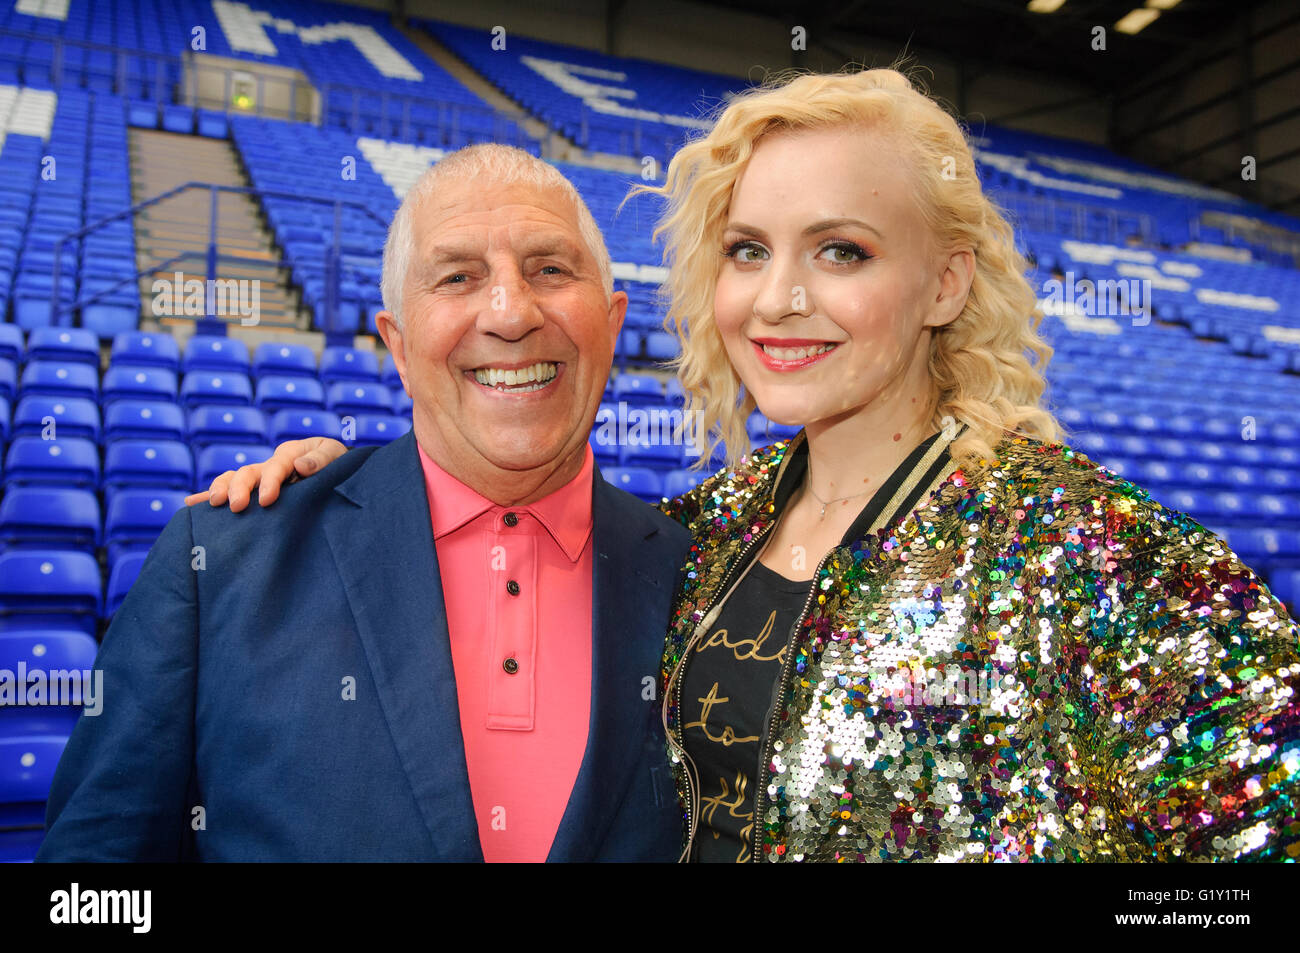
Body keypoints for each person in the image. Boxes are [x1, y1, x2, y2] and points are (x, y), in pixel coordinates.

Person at [197, 69, 1300, 863]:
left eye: (842, 250)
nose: (778, 298)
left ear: (946, 283)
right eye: (746, 251)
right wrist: (353, 480)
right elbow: (515, 514)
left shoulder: (1093, 552)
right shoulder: (702, 530)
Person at [37, 144, 691, 862]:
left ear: (612, 318)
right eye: (458, 276)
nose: (510, 311)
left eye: (550, 269)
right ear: (399, 345)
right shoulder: (220, 563)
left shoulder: (702, 579)